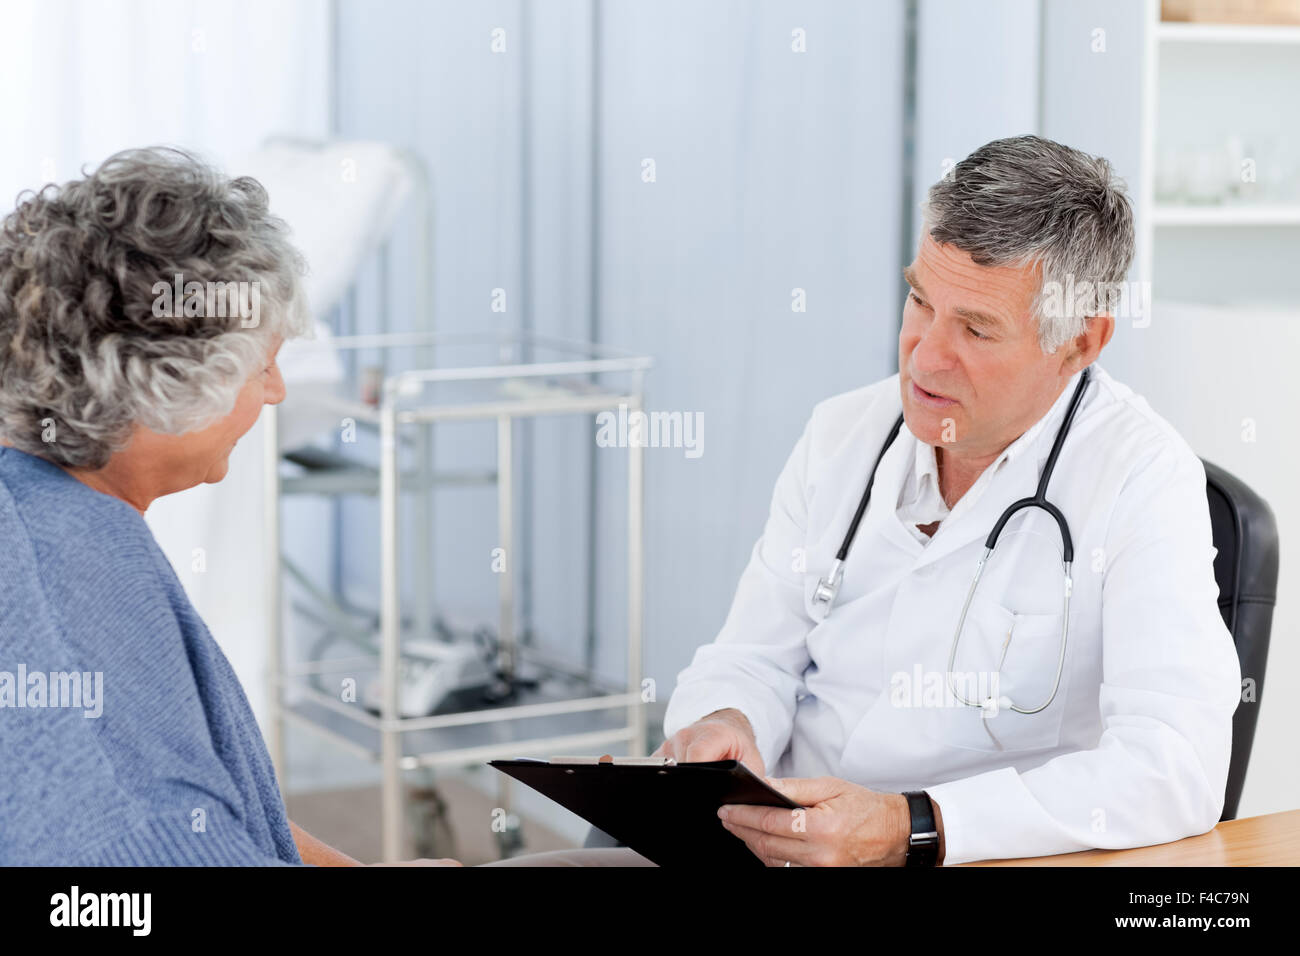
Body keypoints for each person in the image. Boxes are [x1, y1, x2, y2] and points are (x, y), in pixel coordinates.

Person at [658, 135, 1242, 866]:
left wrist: (913, 826)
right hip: (773, 852)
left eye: (976, 328)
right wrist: (726, 721)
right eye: (920, 301)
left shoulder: (1143, 480)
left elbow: (1174, 768)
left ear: (1080, 344)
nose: (925, 355)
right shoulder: (843, 433)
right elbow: (753, 658)